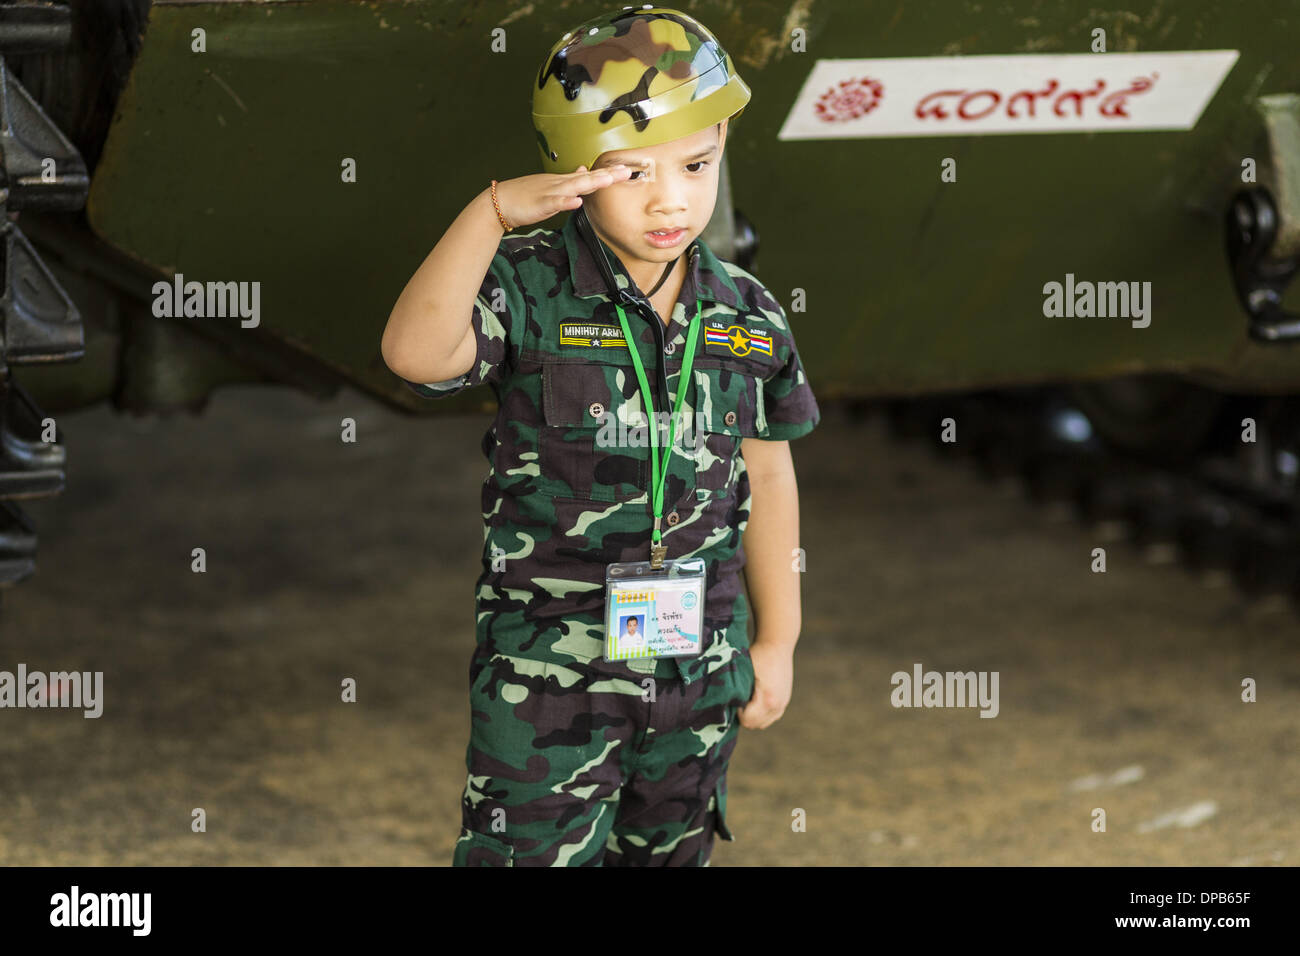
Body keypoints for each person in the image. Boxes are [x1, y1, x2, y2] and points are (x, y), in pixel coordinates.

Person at [381, 5, 820, 866]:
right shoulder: (530, 288)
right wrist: (495, 212)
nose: (672, 199)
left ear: (725, 138)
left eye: (696, 164)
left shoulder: (749, 314)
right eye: (630, 173)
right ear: (575, 173)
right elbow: (414, 354)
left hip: (698, 665)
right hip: (548, 675)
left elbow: (770, 480)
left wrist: (778, 639)